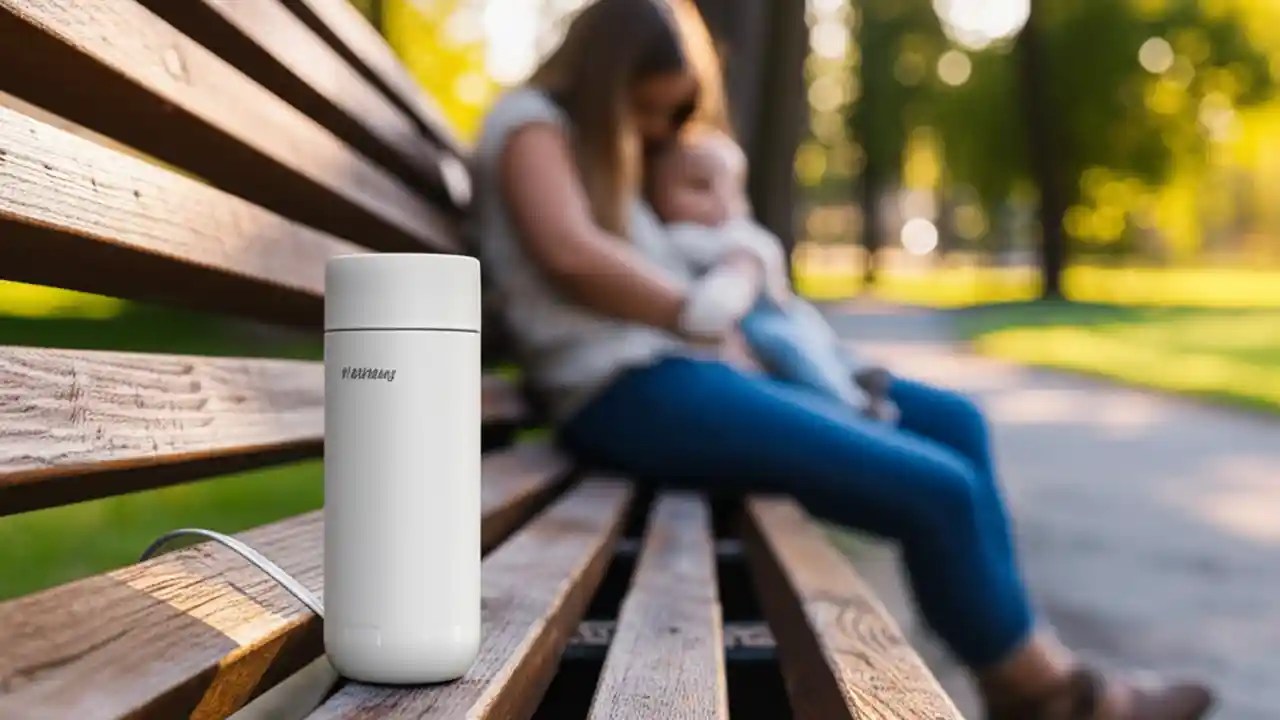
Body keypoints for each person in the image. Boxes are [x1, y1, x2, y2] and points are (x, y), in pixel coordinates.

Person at [471, 1, 1213, 717]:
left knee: (953, 422)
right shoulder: (532, 124)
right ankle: (1051, 694)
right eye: (647, 108)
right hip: (624, 391)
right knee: (938, 491)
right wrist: (698, 313)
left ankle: (1031, 676)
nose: (661, 130)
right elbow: (571, 253)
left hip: (682, 375)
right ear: (606, 74)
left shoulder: (596, 142)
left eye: (671, 113)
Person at [646, 127, 899, 422]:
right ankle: (851, 401)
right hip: (756, 321)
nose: (718, 200)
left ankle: (853, 375)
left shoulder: (731, 235)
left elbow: (745, 278)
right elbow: (720, 301)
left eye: (730, 189)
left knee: (809, 335)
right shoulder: (674, 238)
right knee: (796, 351)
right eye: (698, 186)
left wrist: (736, 282)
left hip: (769, 311)